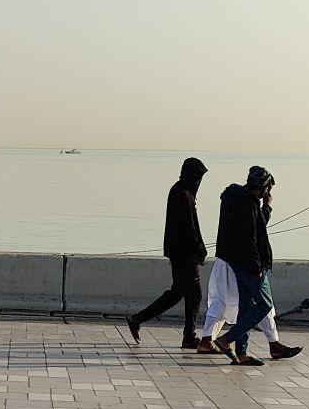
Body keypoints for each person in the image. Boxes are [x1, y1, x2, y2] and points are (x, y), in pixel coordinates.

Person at [213, 165, 300, 367]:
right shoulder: (248, 205)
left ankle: (242, 353)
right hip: (250, 265)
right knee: (264, 304)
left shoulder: (237, 199)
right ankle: (227, 339)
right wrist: (256, 267)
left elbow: (256, 227)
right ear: (265, 187)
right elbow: (250, 239)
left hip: (235, 261)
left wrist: (266, 208)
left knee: (246, 305)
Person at [128, 157, 208, 348]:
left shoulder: (181, 190)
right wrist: (199, 250)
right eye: (198, 177)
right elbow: (188, 229)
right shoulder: (183, 194)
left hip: (179, 252)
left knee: (178, 292)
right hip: (185, 254)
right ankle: (189, 336)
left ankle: (137, 319)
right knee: (194, 295)